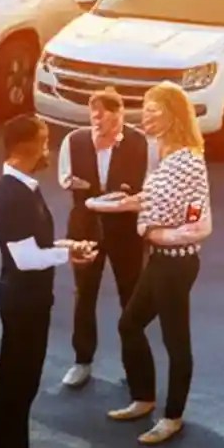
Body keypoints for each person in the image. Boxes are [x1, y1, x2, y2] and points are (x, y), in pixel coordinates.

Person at [0, 114, 98, 448]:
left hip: (33, 299)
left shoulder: (26, 187)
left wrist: (68, 246)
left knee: (27, 378)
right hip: (21, 301)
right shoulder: (12, 194)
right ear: (24, 148)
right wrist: (66, 255)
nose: (48, 149)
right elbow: (25, 257)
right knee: (12, 379)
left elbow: (37, 244)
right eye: (44, 141)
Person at [97, 82, 212, 445]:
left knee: (176, 341)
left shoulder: (189, 161)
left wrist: (160, 234)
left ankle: (172, 417)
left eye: (153, 109)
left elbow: (199, 220)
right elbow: (157, 199)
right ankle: (143, 397)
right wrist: (128, 203)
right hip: (159, 262)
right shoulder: (163, 154)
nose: (145, 115)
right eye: (144, 108)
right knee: (129, 324)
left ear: (173, 115)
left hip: (177, 264)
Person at [56, 87, 156, 388]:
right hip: (85, 227)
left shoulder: (141, 143)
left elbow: (149, 189)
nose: (101, 124)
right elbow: (65, 178)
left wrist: (127, 201)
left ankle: (134, 367)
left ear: (120, 116)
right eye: (95, 117)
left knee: (131, 297)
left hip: (126, 231)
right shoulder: (74, 141)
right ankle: (82, 361)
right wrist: (81, 187)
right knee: (84, 294)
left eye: (108, 119)